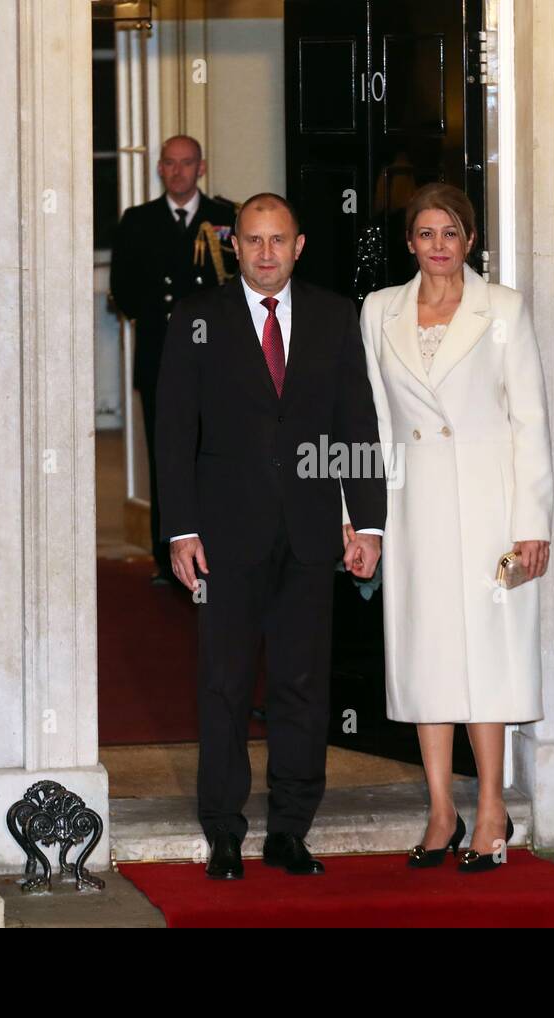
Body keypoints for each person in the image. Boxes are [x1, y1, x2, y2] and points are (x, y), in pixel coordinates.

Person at [155, 192, 386, 879]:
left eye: (277, 240)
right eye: (252, 240)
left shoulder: (334, 315)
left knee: (303, 686)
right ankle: (224, 831)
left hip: (312, 534)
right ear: (235, 246)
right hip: (224, 534)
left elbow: (357, 424)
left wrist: (368, 521)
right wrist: (180, 529)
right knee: (223, 685)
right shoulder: (198, 318)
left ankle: (289, 828)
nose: (264, 252)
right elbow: (173, 431)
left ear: (299, 245)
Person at [357, 182, 553, 873]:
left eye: (451, 233)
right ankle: (442, 807)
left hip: (490, 505)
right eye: (426, 233)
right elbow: (374, 422)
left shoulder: (503, 309)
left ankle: (492, 805)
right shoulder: (378, 310)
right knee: (427, 654)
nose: (438, 246)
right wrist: (365, 521)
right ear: (409, 242)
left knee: (488, 655)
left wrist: (532, 521)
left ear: (470, 241)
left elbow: (529, 418)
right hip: (415, 506)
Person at [110, 135, 238, 584]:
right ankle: (168, 557)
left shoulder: (226, 218)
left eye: (187, 163)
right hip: (161, 358)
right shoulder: (137, 221)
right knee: (169, 456)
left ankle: (220, 545)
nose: (179, 171)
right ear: (160, 169)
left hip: (218, 363)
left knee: (219, 452)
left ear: (201, 168)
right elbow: (123, 292)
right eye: (170, 164)